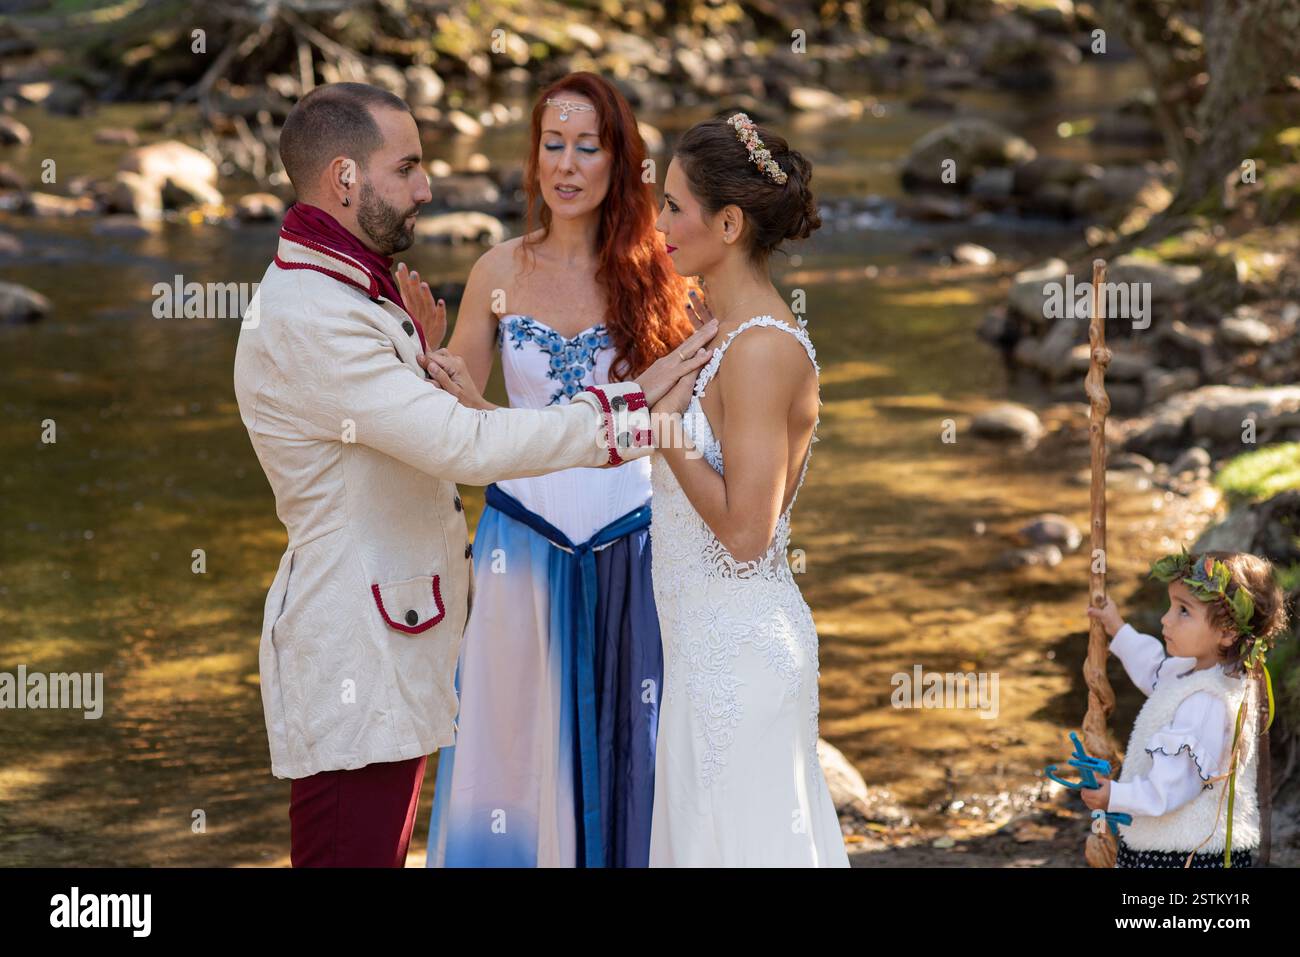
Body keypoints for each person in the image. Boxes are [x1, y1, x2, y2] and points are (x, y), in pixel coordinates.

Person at [232, 81, 713, 867]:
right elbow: (463, 443)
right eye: (408, 167)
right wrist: (626, 412)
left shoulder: (350, 288)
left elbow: (411, 424)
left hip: (417, 627)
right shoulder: (318, 310)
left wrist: (418, 358)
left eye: (587, 146)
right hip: (366, 639)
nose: (428, 187)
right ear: (346, 180)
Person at [418, 73, 698, 868]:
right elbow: (456, 419)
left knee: (633, 742)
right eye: (553, 145)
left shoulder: (659, 273)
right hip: (519, 546)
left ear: (620, 162)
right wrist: (421, 352)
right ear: (533, 158)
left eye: (588, 147)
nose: (567, 165)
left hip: (632, 544)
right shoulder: (496, 270)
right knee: (509, 753)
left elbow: (678, 422)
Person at [645, 112, 850, 866]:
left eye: (672, 205)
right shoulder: (720, 335)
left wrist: (667, 432)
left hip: (739, 655)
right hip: (700, 650)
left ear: (728, 223)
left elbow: (745, 535)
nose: (658, 221)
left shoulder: (761, 348)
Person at [1085, 549, 1287, 868]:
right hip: (1178, 847)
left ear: (1226, 632)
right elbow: (1154, 671)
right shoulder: (1200, 672)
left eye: (1183, 611)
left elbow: (1168, 789)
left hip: (1184, 855)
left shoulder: (1206, 703)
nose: (1166, 618)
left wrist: (1114, 796)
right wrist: (1117, 628)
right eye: (1171, 605)